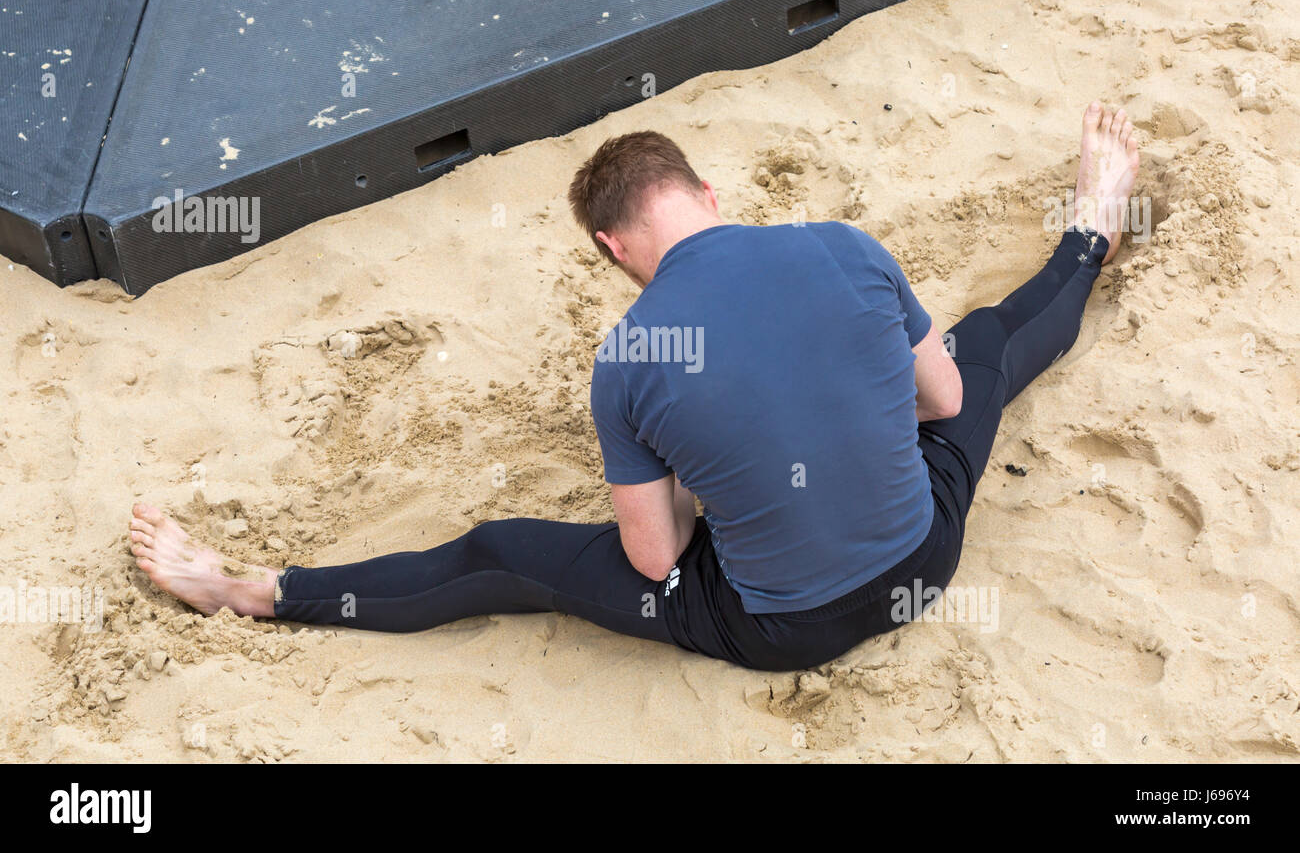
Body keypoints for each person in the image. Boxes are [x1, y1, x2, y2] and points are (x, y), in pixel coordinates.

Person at [128, 102, 1140, 671]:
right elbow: (944, 405)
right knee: (986, 346)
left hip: (777, 629)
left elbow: (656, 556)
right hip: (926, 553)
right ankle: (1093, 218)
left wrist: (713, 466)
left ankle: (254, 591)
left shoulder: (628, 359)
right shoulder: (843, 246)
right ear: (705, 193)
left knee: (502, 553)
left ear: (614, 247)